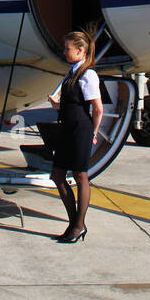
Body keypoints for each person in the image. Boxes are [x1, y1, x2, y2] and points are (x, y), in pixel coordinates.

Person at [47, 30, 103, 244]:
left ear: (80, 51)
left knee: (80, 176)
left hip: (81, 129)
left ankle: (78, 225)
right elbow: (72, 103)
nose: (64, 52)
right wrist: (57, 106)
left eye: (67, 49)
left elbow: (97, 108)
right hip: (67, 127)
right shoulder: (72, 72)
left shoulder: (88, 74)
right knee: (57, 176)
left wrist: (94, 133)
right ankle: (74, 223)